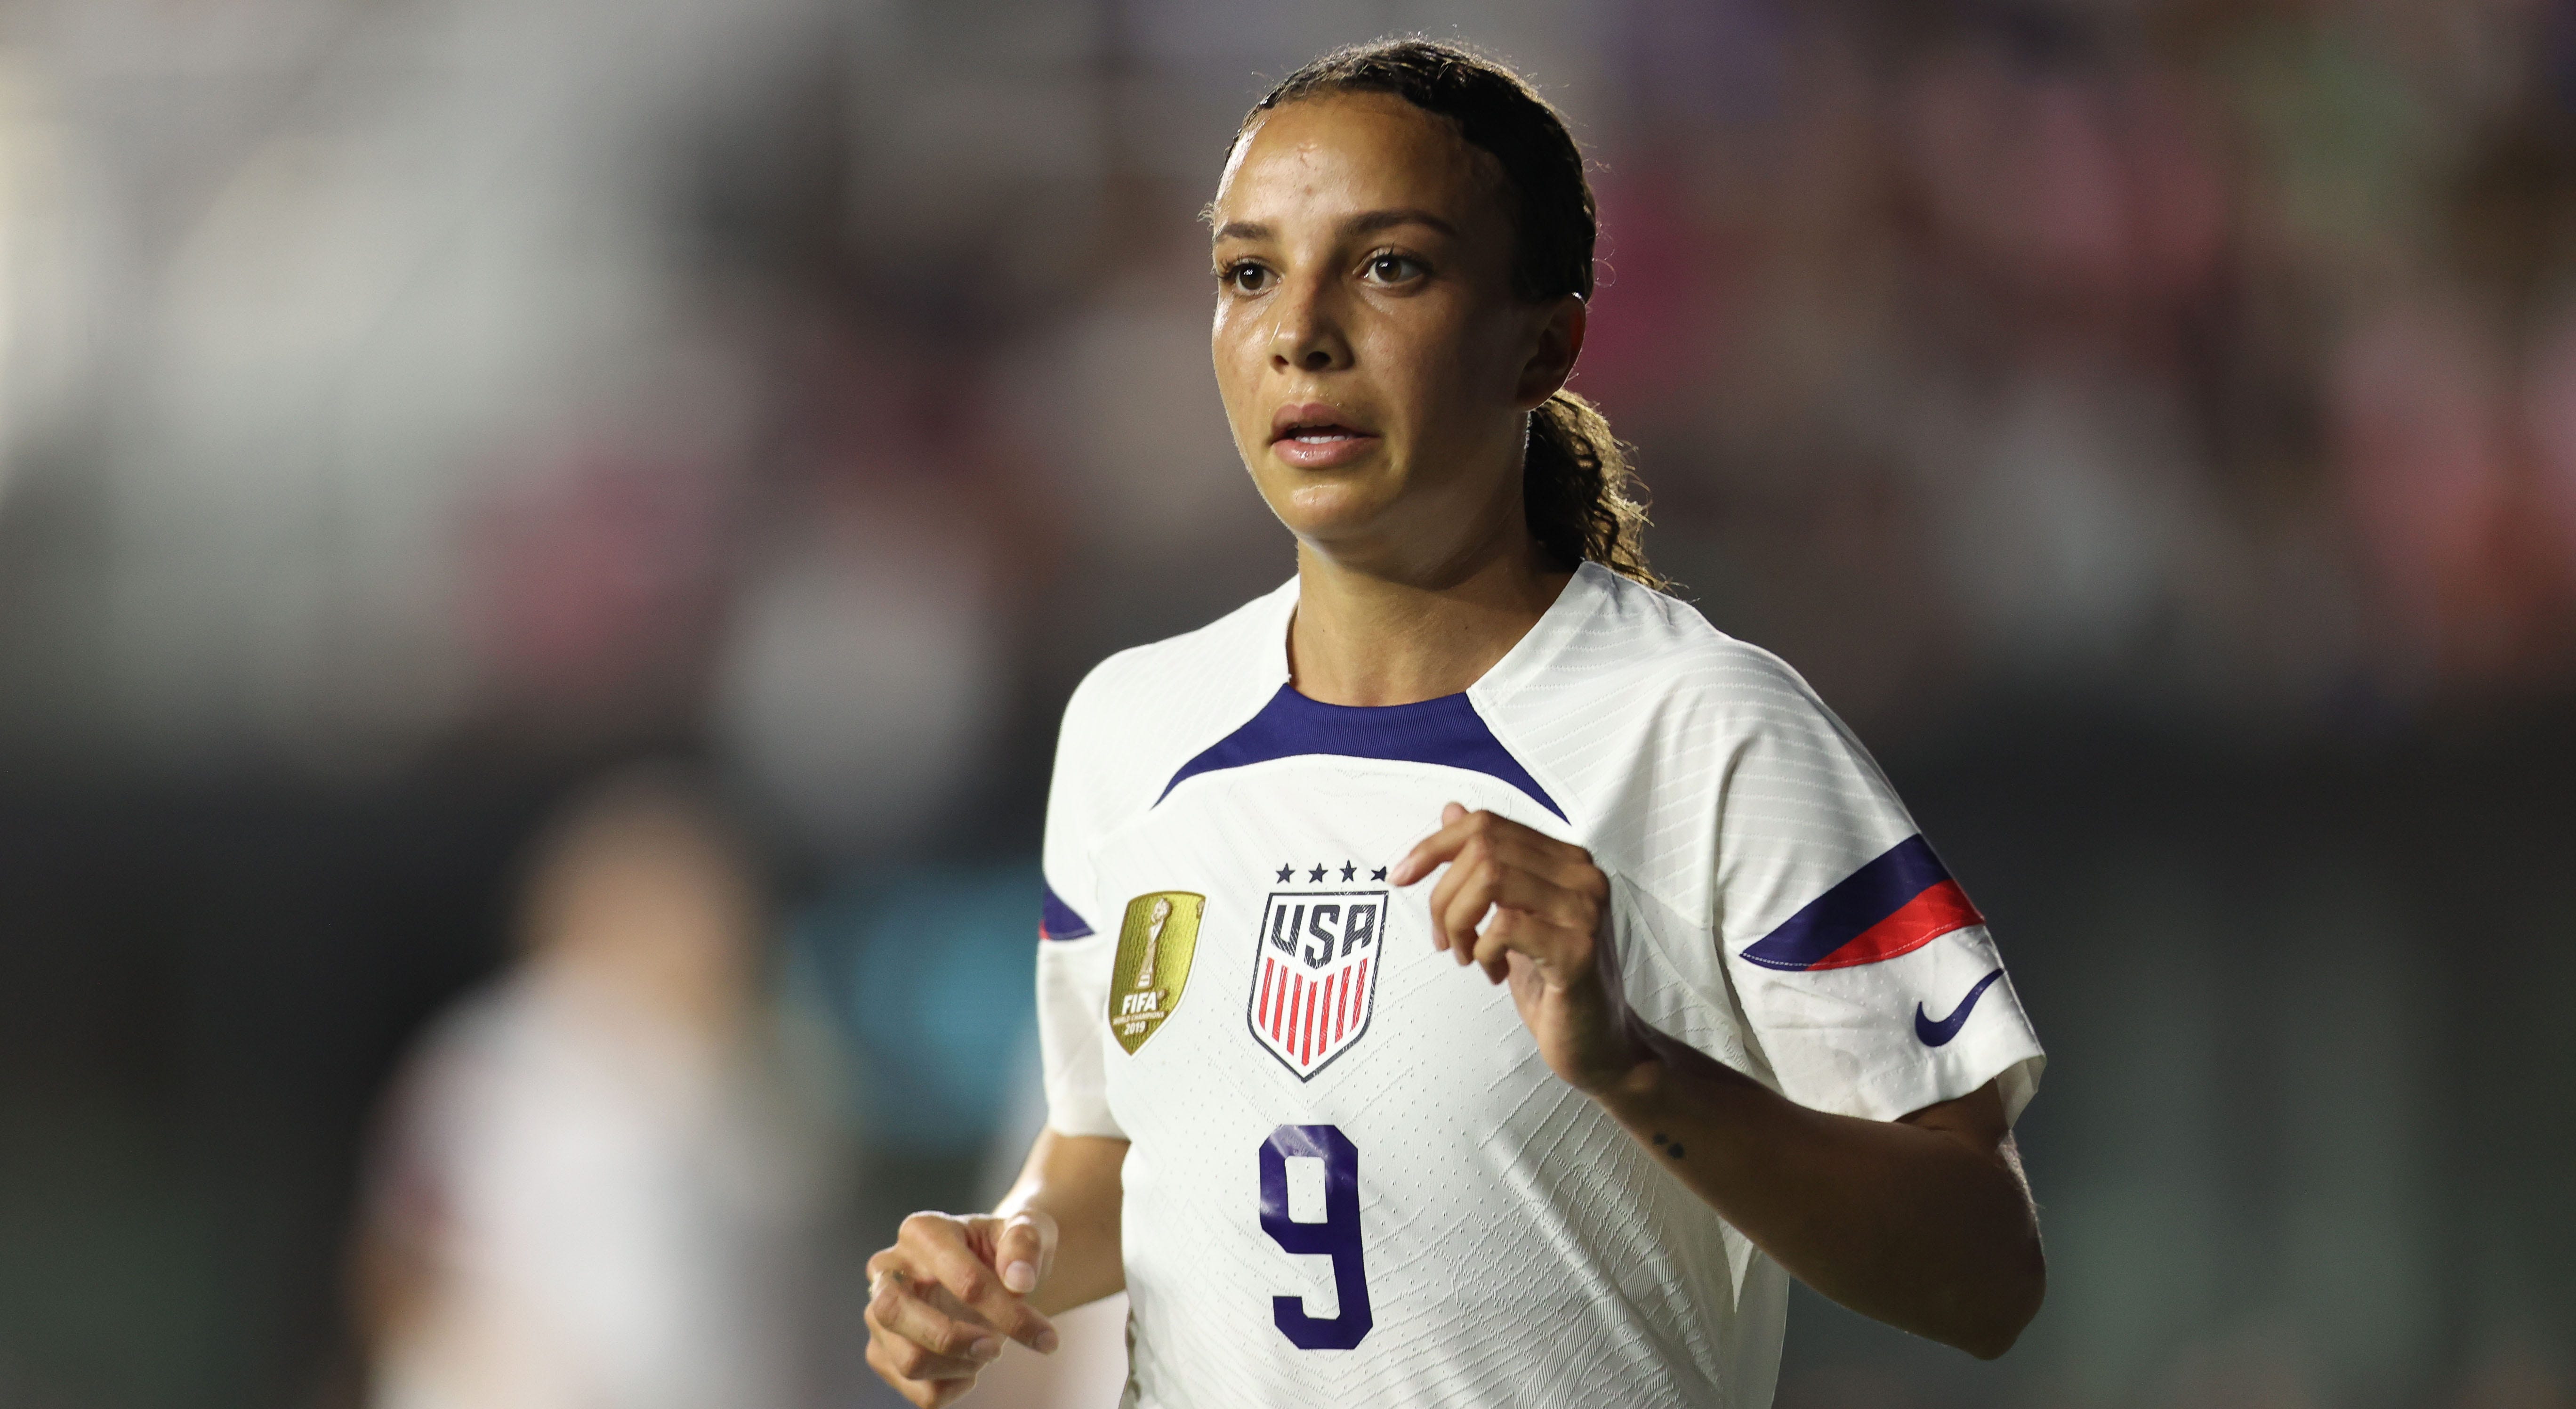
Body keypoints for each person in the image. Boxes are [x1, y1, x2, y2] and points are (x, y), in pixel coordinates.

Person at [864, 38, 2047, 1409]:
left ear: (1545, 343)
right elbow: (1116, 1154)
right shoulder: (1131, 727)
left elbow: (1987, 1275)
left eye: (1389, 266)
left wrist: (1636, 1069)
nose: (1301, 332)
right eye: (1249, 274)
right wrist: (999, 1253)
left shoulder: (1706, 731)